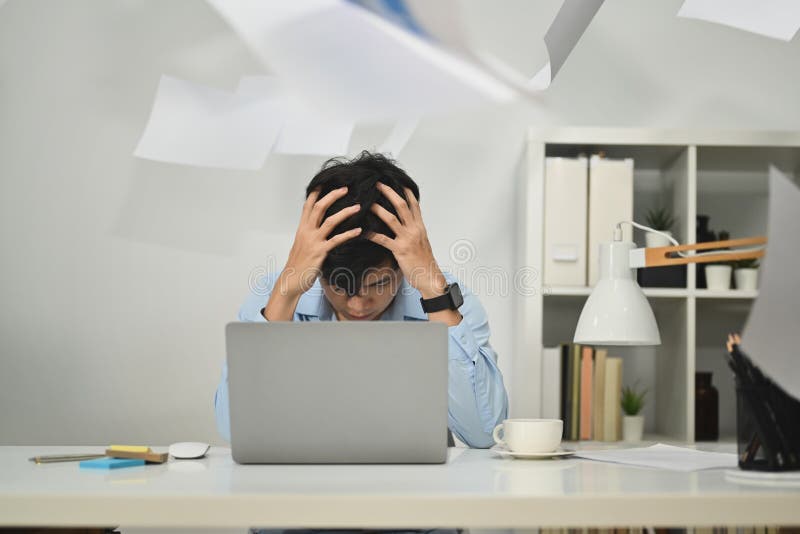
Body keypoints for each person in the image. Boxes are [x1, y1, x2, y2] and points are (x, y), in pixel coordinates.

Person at [215, 151, 508, 449]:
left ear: (404, 266)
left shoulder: (447, 302)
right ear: (318, 270)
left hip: (415, 477)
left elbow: (485, 434)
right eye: (339, 286)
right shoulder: (274, 295)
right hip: (305, 474)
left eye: (379, 283)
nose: (357, 305)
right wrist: (286, 294)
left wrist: (435, 294)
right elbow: (234, 429)